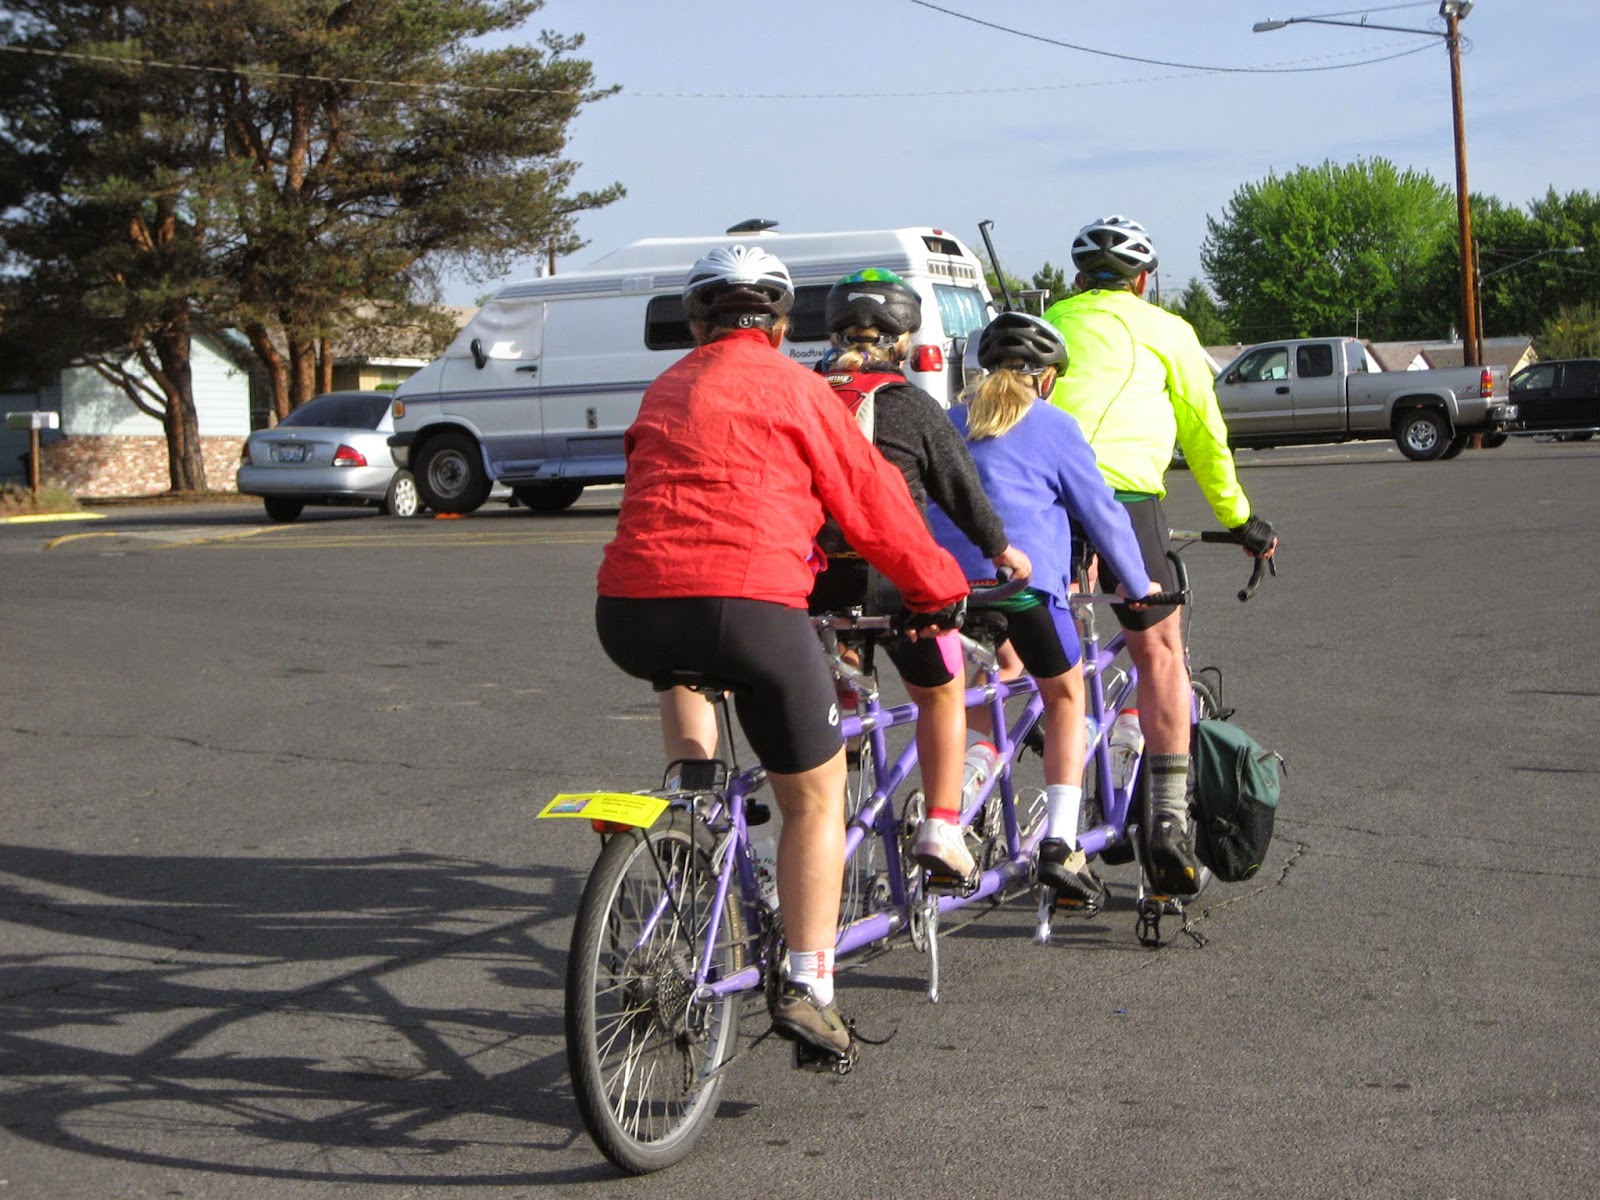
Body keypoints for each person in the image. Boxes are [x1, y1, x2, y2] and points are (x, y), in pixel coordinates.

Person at [595, 244, 970, 1060]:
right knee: (815, 793)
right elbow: (874, 509)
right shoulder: (800, 388)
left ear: (697, 322)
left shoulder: (665, 386)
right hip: (749, 605)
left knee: (687, 663)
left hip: (628, 610)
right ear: (781, 321)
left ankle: (690, 813)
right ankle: (809, 986)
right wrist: (937, 589)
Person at [1042, 215, 1278, 894]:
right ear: (1144, 280)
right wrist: (1240, 519)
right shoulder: (1169, 332)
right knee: (1159, 652)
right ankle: (1170, 822)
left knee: (1036, 647)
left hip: (1038, 500)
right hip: (1123, 500)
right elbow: (1204, 432)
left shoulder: (1050, 321)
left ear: (1079, 279)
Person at [808, 267, 1032, 882]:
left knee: (840, 698)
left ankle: (821, 830)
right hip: (890, 576)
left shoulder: (802, 393)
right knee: (940, 693)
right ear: (902, 341)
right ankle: (940, 823)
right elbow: (961, 489)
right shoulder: (910, 403)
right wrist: (1003, 551)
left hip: (815, 577)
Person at [926, 311, 1155, 908]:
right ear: (1046, 378)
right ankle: (1059, 842)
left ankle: (958, 806)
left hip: (950, 589)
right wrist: (1139, 583)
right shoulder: (1053, 424)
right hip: (1021, 587)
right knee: (1065, 694)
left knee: (982, 685)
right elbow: (1102, 512)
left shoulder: (950, 422)